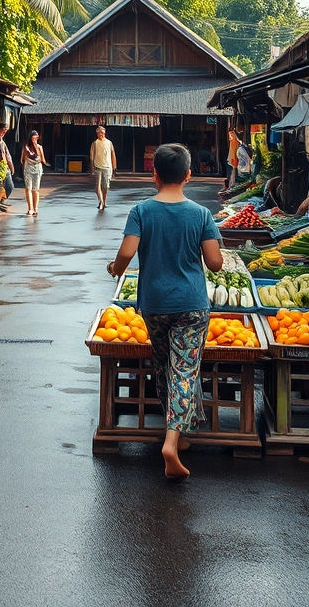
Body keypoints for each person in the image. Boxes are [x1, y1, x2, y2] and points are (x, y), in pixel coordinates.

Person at [106, 143, 225, 479]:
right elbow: (215, 264)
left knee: (163, 367)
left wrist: (116, 268)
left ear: (153, 174)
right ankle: (173, 441)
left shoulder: (141, 211)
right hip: (191, 304)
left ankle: (178, 437)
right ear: (188, 175)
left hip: (155, 304)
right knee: (184, 370)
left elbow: (127, 252)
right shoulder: (200, 214)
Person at [90, 125, 116, 211]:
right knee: (98, 184)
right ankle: (101, 201)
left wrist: (114, 167)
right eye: (98, 133)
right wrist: (92, 167)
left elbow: (113, 155)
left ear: (104, 133)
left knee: (106, 186)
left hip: (107, 167)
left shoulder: (109, 143)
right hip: (97, 166)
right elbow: (91, 156)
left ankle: (104, 201)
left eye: (101, 132)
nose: (100, 134)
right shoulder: (94, 143)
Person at [21, 130, 46, 216]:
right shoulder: (26, 147)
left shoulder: (39, 147)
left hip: (37, 169)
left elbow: (42, 160)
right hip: (28, 169)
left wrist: (36, 148)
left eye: (36, 138)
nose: (35, 139)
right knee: (28, 189)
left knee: (35, 190)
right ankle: (30, 208)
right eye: (33, 137)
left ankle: (35, 208)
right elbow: (23, 158)